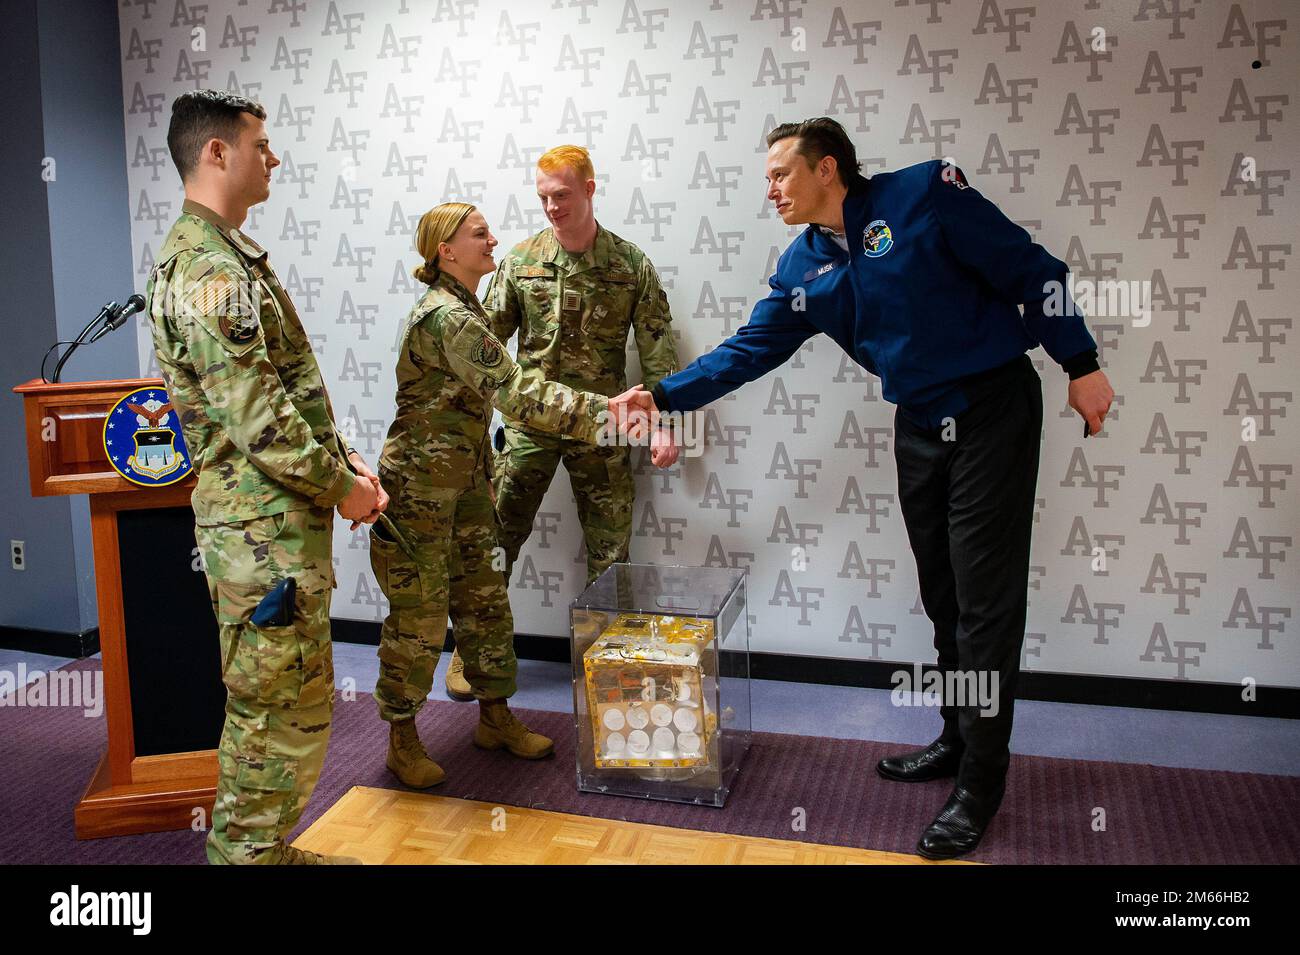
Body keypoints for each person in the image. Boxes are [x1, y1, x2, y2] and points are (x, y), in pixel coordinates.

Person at [640, 117, 1115, 860]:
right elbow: (749, 350)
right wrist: (665, 396)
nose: (769, 190)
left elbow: (1034, 270)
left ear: (827, 168)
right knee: (945, 596)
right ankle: (959, 740)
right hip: (921, 424)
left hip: (990, 409)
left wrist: (1080, 361)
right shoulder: (803, 266)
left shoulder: (925, 193)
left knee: (986, 608)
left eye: (780, 175)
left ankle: (981, 785)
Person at [145, 90, 386, 865]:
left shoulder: (227, 254)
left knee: (292, 697)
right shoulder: (204, 269)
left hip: (278, 525)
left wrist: (342, 458)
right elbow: (257, 419)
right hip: (259, 536)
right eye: (260, 144)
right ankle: (244, 856)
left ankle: (260, 850)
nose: (272, 157)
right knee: (272, 705)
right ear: (217, 153)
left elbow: (284, 388)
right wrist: (341, 485)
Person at [372, 201, 657, 786]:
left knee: (485, 602)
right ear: (446, 250)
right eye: (479, 234)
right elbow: (516, 391)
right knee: (419, 617)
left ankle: (494, 718)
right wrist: (605, 413)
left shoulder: (468, 307)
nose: (493, 239)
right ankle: (402, 738)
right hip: (423, 487)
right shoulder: (447, 318)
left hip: (470, 480)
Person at [439, 145, 680, 701]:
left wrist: (665, 425)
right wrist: (463, 422)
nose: (552, 206)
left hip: (604, 425)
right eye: (543, 196)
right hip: (531, 425)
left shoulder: (629, 265)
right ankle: (475, 654)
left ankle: (610, 661)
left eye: (563, 195)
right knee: (496, 539)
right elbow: (485, 348)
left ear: (591, 189)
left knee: (610, 550)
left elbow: (657, 351)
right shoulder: (520, 262)